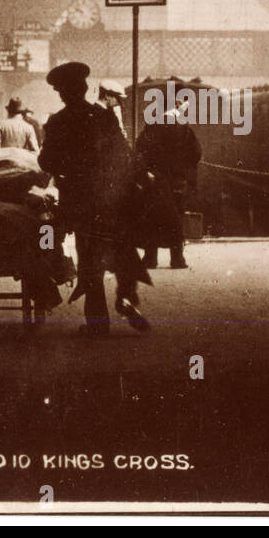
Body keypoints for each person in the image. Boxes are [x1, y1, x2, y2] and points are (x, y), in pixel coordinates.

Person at [39, 61, 149, 337]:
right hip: (110, 197)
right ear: (86, 88)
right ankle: (126, 296)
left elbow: (46, 161)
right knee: (121, 246)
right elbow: (124, 154)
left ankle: (98, 324)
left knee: (89, 259)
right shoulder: (104, 117)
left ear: (62, 93)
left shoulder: (57, 122)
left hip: (78, 201)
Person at [136, 105, 201, 269]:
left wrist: (147, 172)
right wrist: (185, 170)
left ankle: (150, 259)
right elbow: (196, 153)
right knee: (176, 219)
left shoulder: (150, 128)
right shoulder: (184, 129)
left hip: (155, 181)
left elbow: (139, 151)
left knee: (152, 218)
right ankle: (177, 258)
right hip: (177, 182)